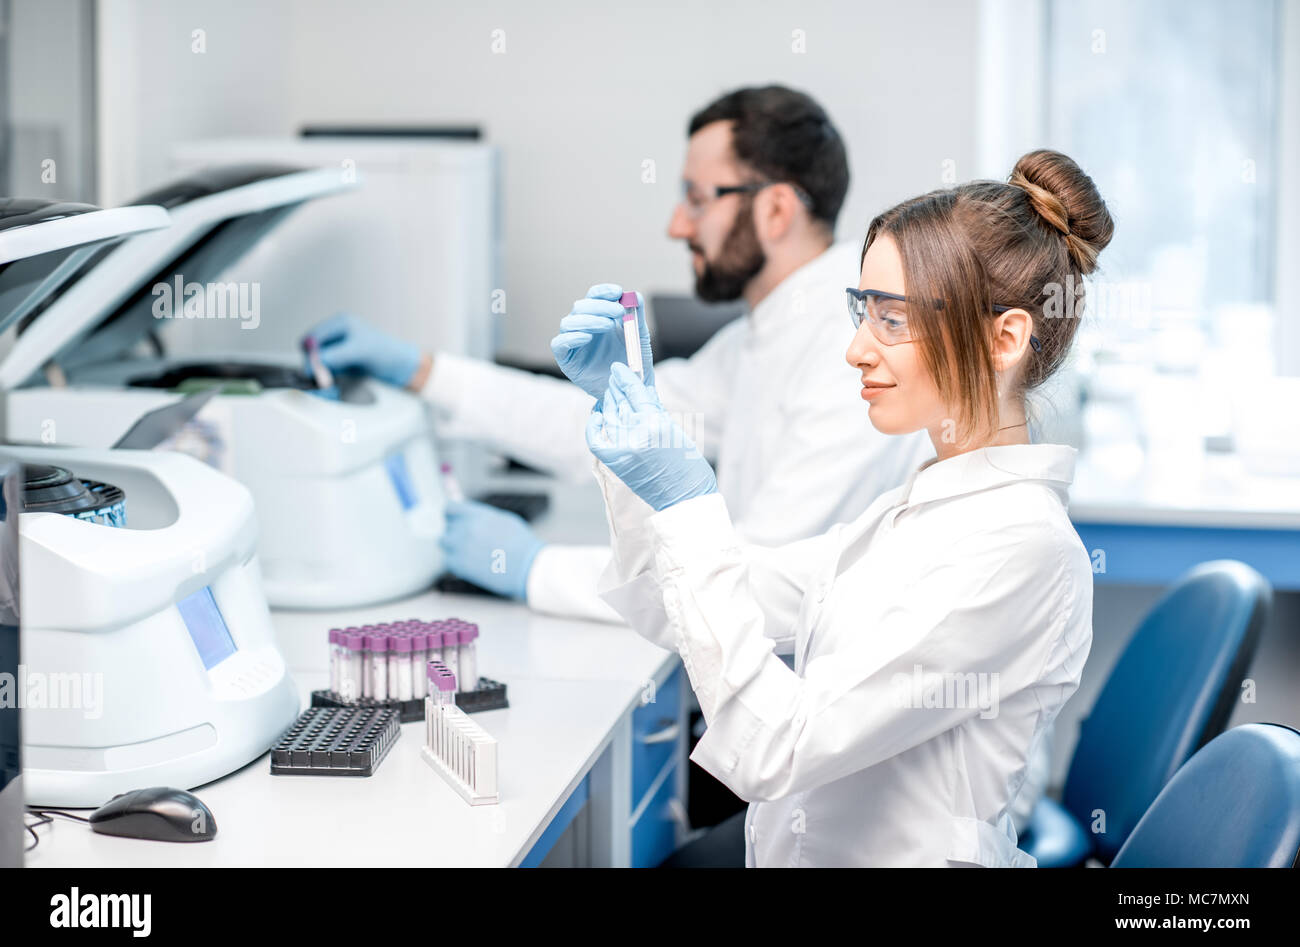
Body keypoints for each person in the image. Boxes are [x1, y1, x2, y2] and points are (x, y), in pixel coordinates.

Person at [567, 149, 1113, 866]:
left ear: (1003, 338)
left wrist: (692, 503)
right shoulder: (916, 512)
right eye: (864, 311)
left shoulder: (1021, 550)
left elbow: (777, 747)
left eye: (893, 319)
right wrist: (635, 443)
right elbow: (670, 604)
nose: (856, 349)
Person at [301, 85, 931, 624]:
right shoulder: (764, 334)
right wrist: (422, 371)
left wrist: (536, 570)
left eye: (698, 198)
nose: (677, 226)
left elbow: (750, 590)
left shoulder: (848, 352)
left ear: (774, 209)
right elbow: (596, 426)